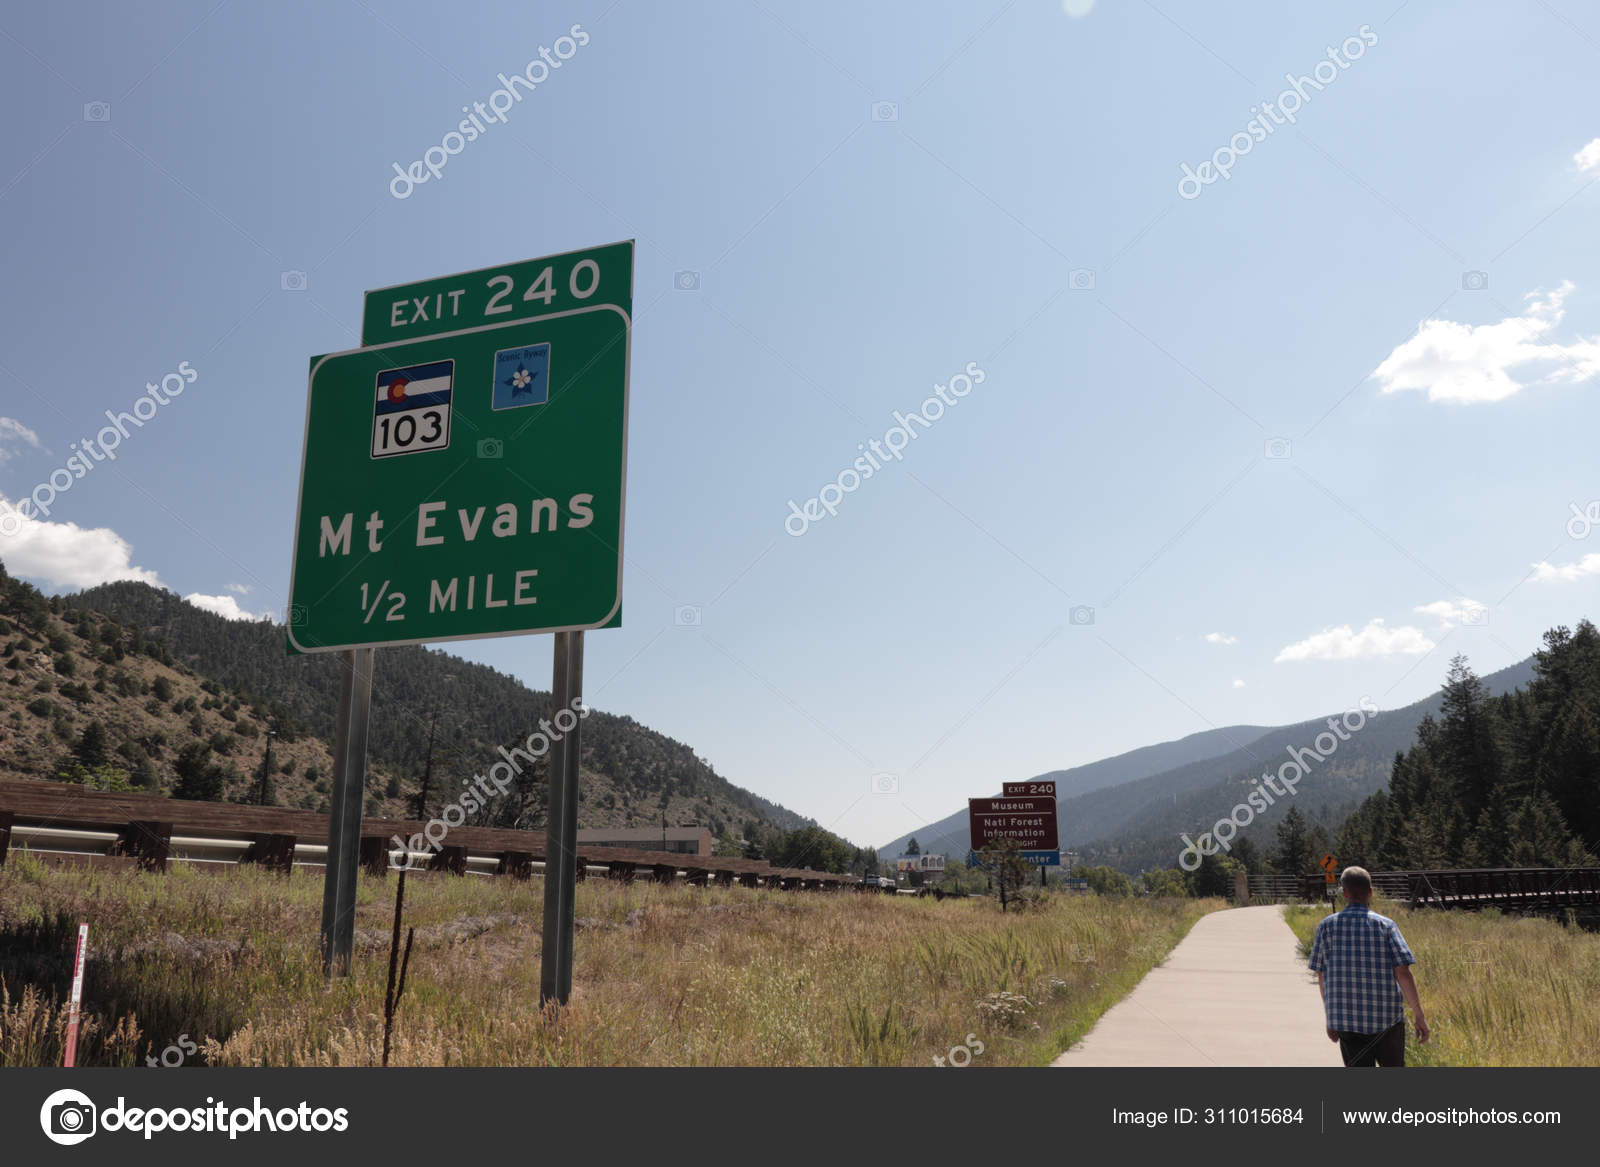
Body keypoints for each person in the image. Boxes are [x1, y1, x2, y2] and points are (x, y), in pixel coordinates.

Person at [1308, 866, 1429, 1066]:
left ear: (1344, 894)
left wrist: (1331, 1018)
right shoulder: (1386, 926)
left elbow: (1322, 974)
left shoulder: (1326, 926)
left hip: (1348, 1021)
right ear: (1370, 892)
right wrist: (1419, 1016)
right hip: (1388, 1020)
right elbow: (1403, 972)